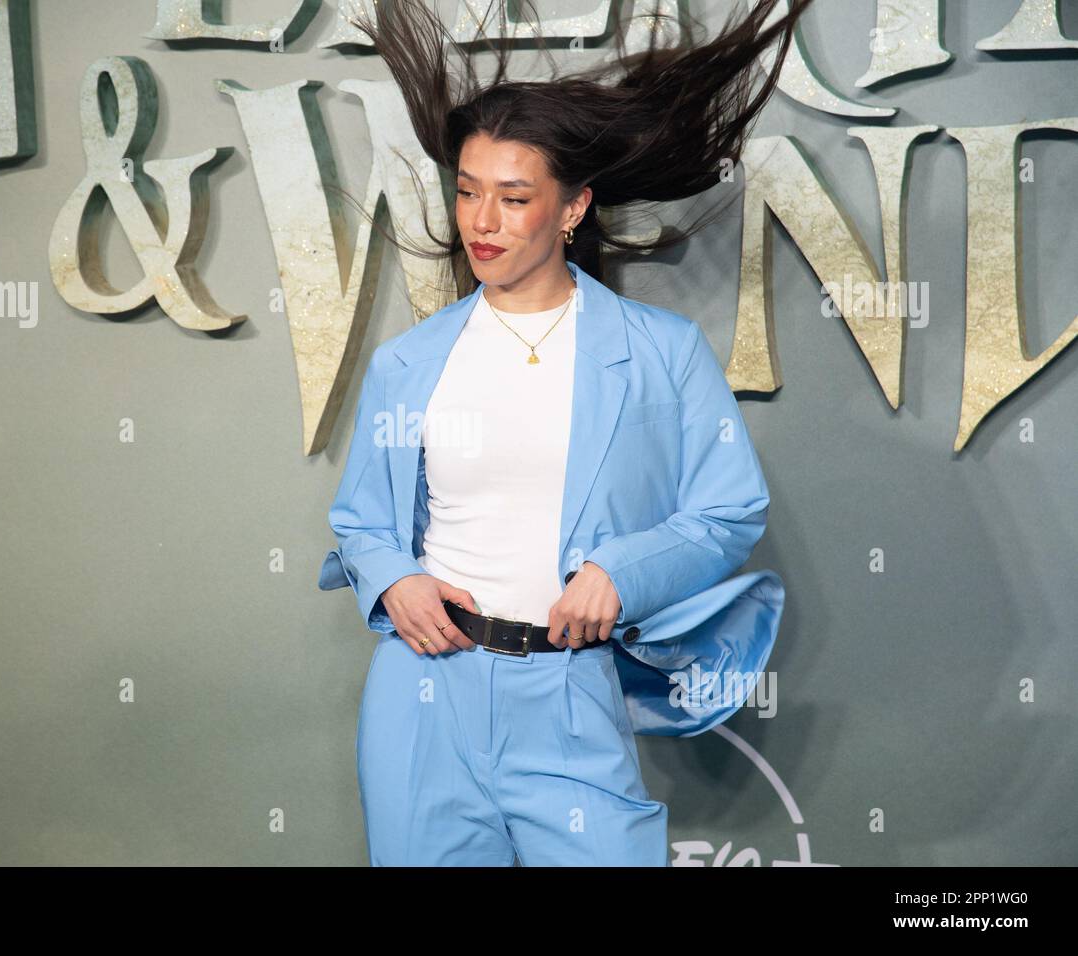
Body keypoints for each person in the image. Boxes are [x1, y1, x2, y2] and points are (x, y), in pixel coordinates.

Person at [318, 0, 808, 866]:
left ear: (574, 207)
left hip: (571, 689)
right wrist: (395, 581)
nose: (482, 221)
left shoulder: (660, 351)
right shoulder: (409, 363)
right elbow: (361, 521)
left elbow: (729, 511)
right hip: (425, 692)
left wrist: (621, 570)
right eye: (468, 192)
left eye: (513, 198)